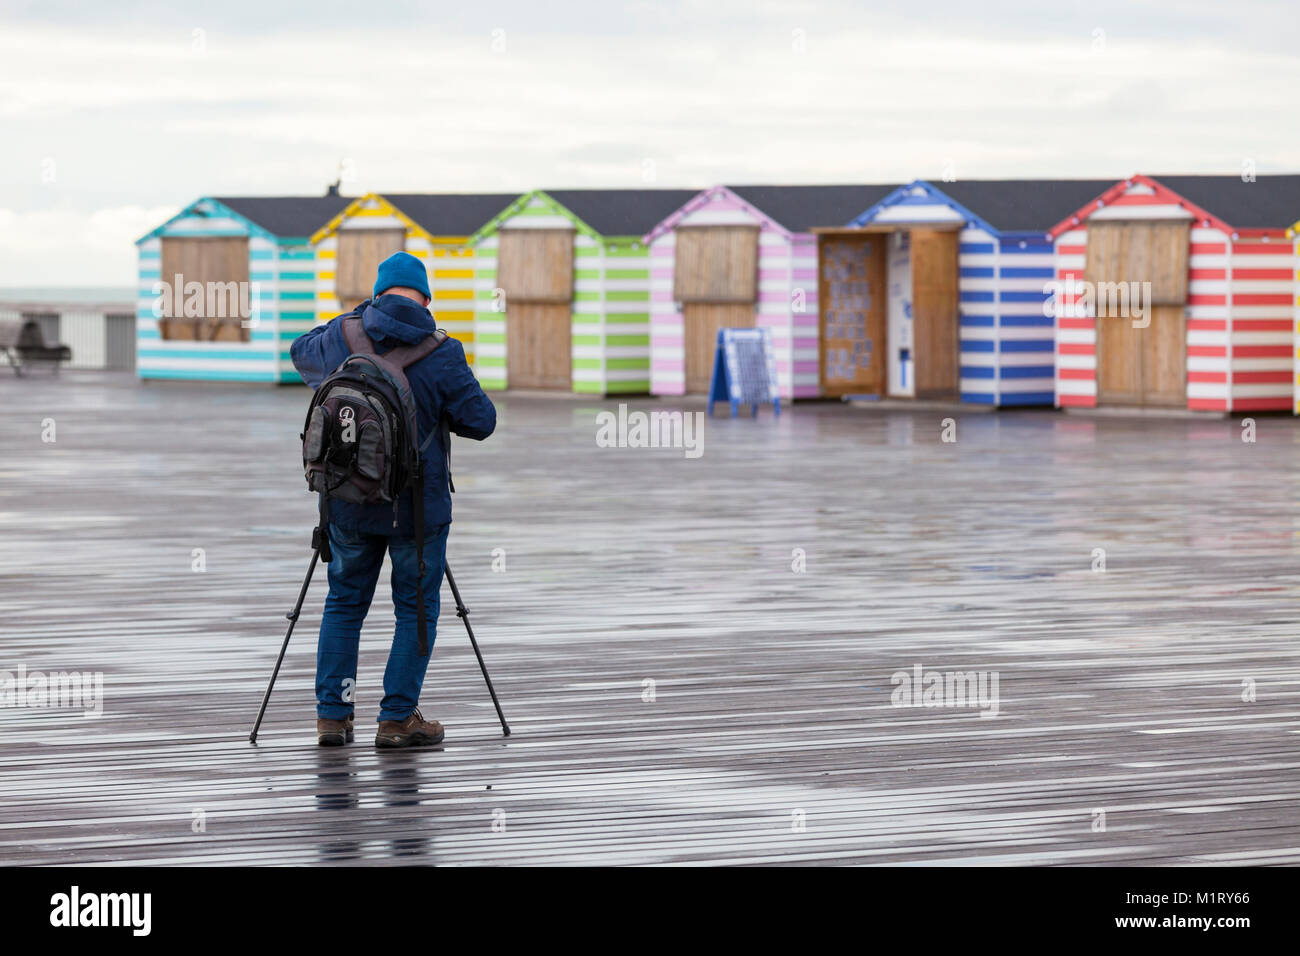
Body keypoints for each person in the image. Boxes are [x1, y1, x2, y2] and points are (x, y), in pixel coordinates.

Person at [291, 251, 496, 748]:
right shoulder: (443, 352)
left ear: (378, 293)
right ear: (426, 298)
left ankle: (333, 717)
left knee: (344, 603)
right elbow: (482, 421)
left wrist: (355, 317)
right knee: (416, 610)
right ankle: (397, 719)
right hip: (417, 512)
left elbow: (299, 351)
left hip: (348, 500)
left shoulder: (342, 336)